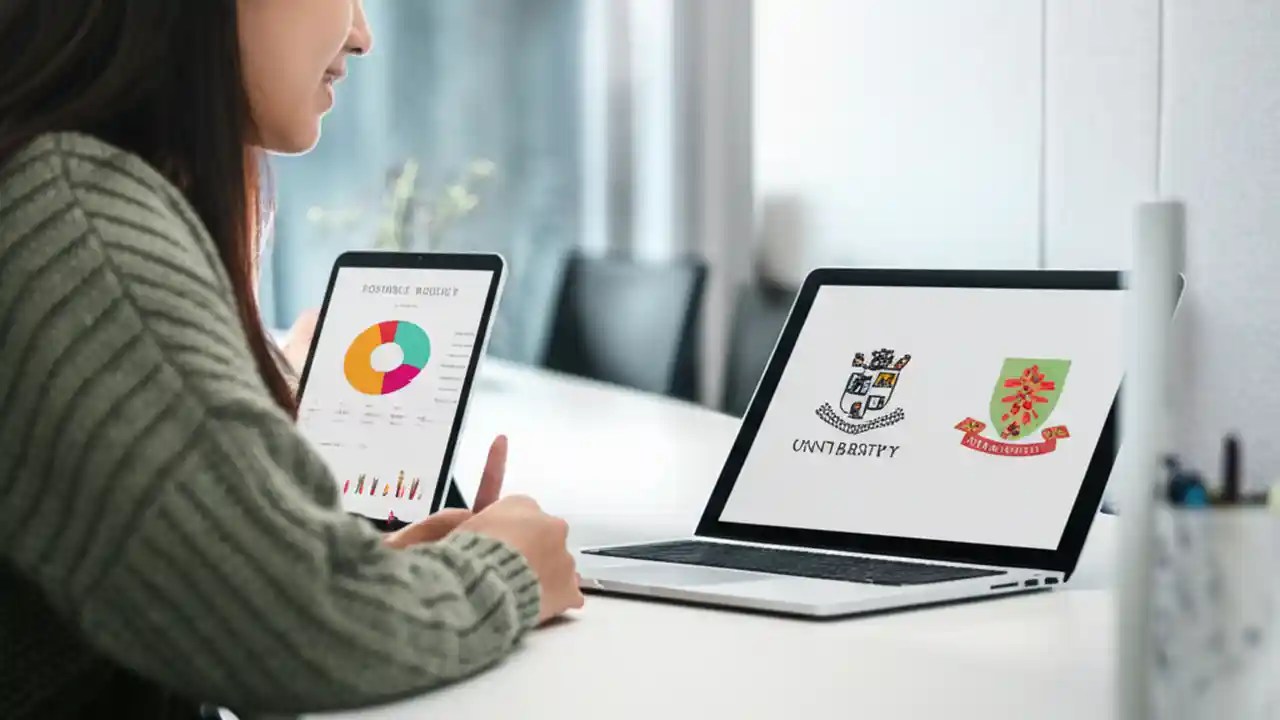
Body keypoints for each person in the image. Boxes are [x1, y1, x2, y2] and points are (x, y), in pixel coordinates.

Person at [0, 2, 584, 718]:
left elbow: (223, 599)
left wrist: (364, 574)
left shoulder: (56, 185)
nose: (363, 35)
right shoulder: (77, 217)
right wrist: (505, 569)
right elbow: (295, 627)